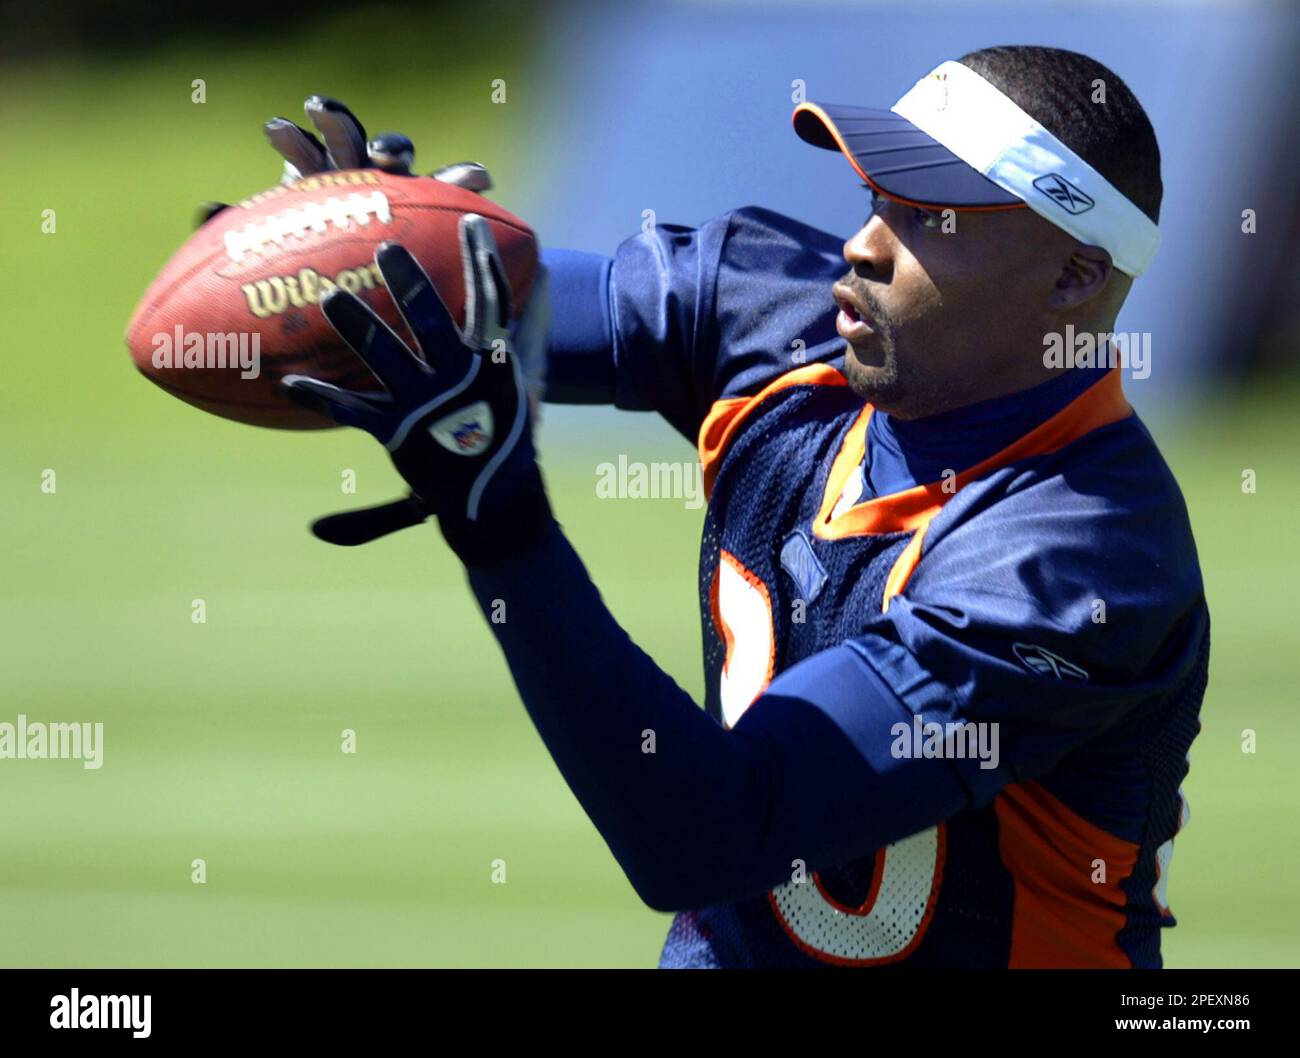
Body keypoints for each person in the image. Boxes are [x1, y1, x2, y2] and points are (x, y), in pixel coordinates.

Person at [261, 44, 1210, 968]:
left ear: (1074, 275)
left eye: (929, 218)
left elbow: (708, 834)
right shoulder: (779, 315)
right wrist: (374, 251)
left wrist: (501, 527)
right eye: (877, 196)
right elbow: (491, 312)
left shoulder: (1078, 563)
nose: (862, 244)